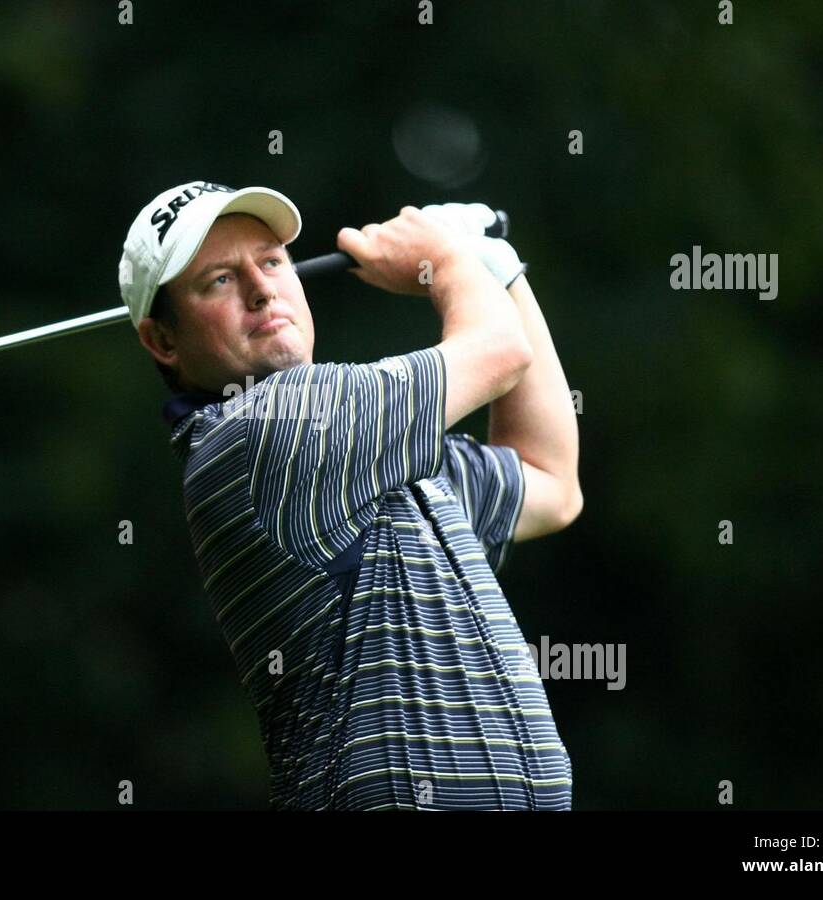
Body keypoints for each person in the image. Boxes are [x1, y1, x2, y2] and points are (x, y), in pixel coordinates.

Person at [118, 180, 582, 810]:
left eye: (273, 260)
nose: (262, 288)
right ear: (163, 341)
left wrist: (497, 269)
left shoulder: (370, 454)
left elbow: (551, 482)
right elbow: (499, 350)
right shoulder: (262, 432)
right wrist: (446, 261)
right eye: (219, 280)